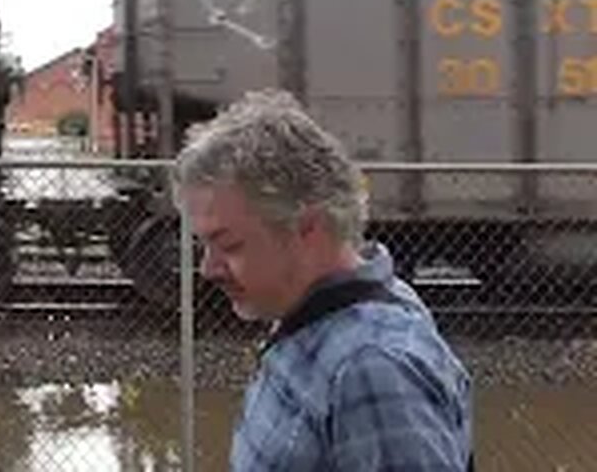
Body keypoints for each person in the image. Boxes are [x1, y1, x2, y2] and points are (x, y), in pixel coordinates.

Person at [171, 89, 474, 470]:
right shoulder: (310, 313)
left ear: (307, 228)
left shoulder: (371, 370)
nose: (207, 268)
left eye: (228, 244)